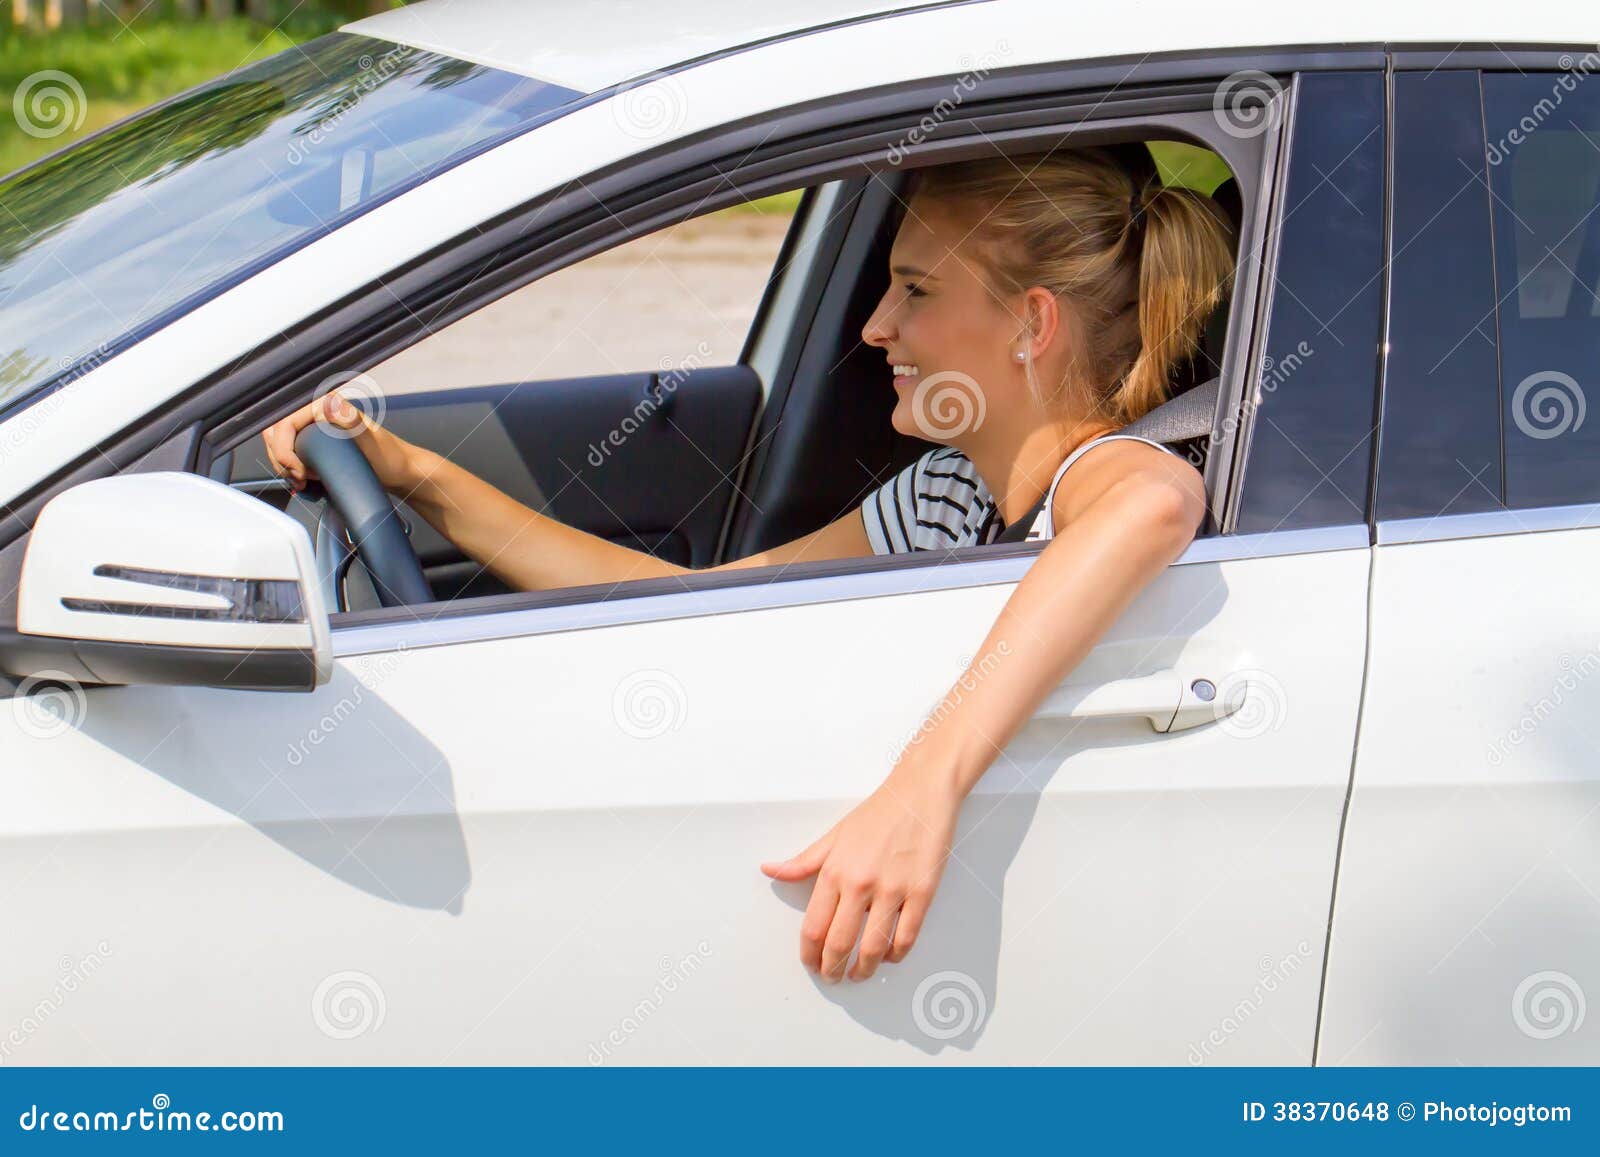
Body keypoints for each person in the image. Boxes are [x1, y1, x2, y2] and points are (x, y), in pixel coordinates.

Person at [263, 146, 1235, 984]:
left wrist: (919, 789)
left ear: (1031, 324)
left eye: (918, 292)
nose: (874, 326)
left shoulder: (1095, 471)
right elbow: (692, 604)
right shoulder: (949, 491)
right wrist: (417, 475)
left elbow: (1151, 502)